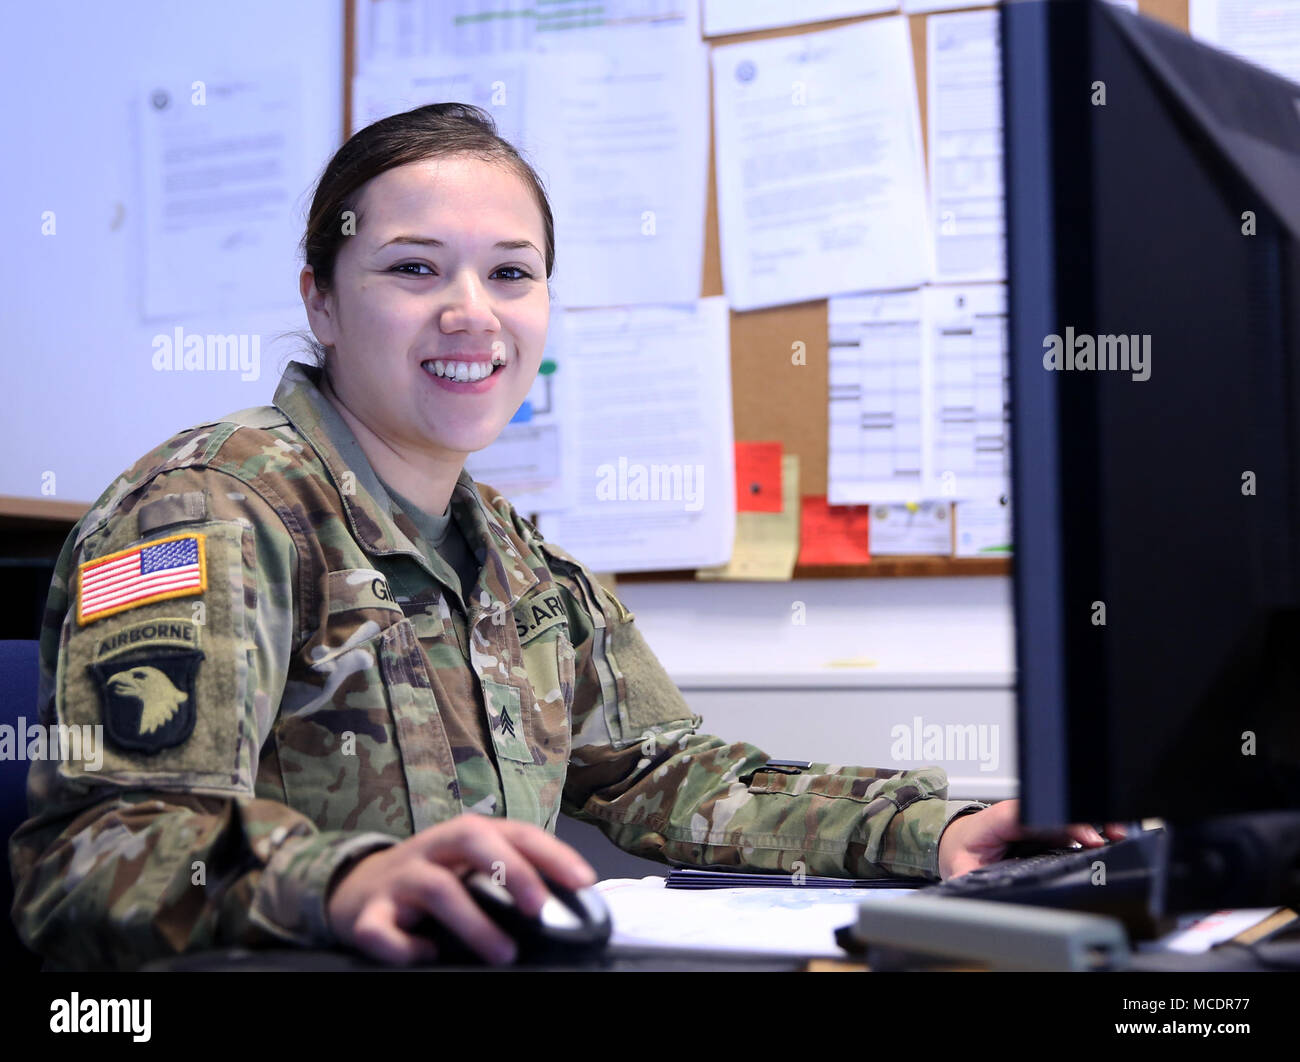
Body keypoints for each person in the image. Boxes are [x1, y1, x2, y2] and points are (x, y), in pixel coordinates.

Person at [9, 103, 1122, 971]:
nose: (470, 311)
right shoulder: (207, 510)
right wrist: (343, 881)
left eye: (510, 272)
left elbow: (671, 776)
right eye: (412, 266)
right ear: (323, 300)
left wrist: (941, 830)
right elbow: (99, 855)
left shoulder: (514, 555)